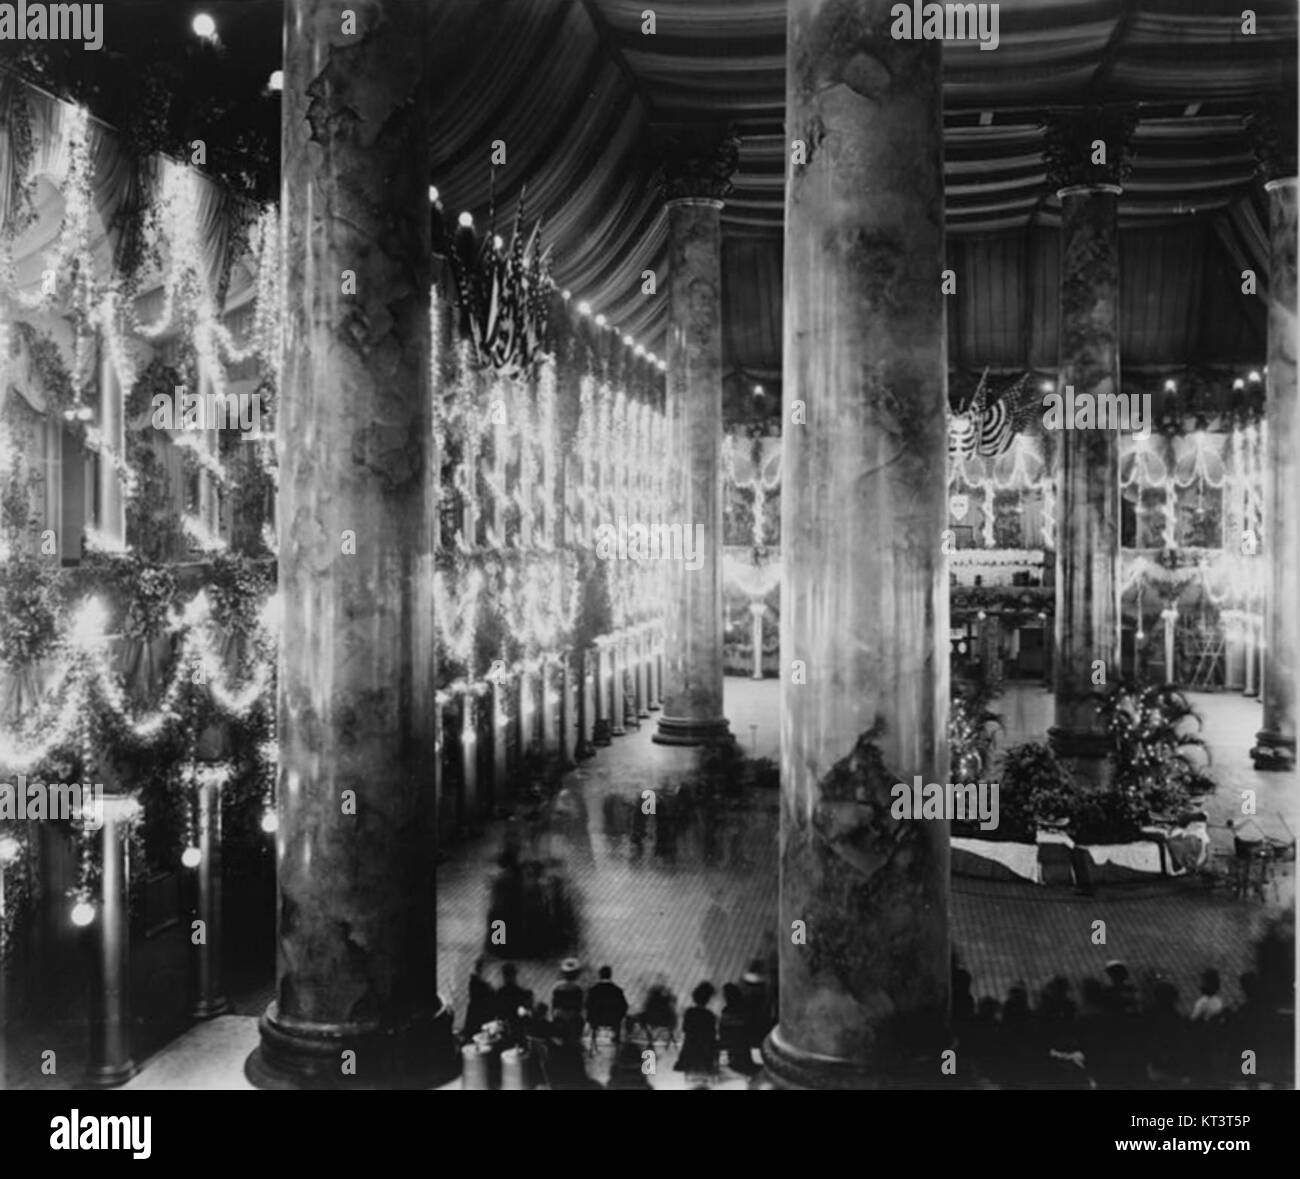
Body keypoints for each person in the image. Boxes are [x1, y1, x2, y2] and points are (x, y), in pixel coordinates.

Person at [674, 981, 718, 1076]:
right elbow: (712, 1037)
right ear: (708, 999)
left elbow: (685, 1029)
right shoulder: (710, 1016)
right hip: (705, 1053)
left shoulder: (689, 1013)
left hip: (690, 1051)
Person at [719, 982, 757, 1075]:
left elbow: (723, 1028)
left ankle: (736, 1062)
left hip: (732, 1039)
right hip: (743, 1038)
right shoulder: (743, 1007)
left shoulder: (727, 1009)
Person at [586, 965, 630, 1042]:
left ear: (600, 975)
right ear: (610, 975)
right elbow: (624, 1007)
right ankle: (617, 1041)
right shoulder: (617, 990)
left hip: (596, 1021)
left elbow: (587, 1005)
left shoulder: (593, 990)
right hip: (613, 1021)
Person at [551, 958, 586, 1044]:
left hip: (559, 1015)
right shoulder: (578, 988)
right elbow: (579, 1006)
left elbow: (553, 1004)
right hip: (573, 1015)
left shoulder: (556, 987)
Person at [462, 957, 496, 1041]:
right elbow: (486, 998)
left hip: (475, 1015)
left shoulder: (476, 982)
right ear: (481, 970)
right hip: (478, 1016)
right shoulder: (478, 983)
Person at [496, 962, 533, 1028]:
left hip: (504, 1025)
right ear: (514, 976)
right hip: (516, 1025)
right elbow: (524, 1012)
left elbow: (497, 1011)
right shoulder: (520, 992)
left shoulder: (500, 992)